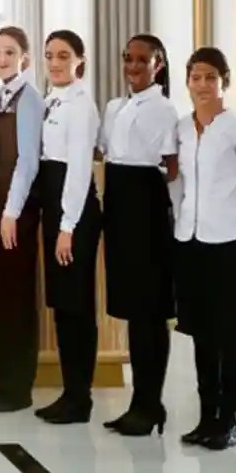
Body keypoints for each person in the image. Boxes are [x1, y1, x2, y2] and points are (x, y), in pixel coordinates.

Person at [173, 47, 236, 451]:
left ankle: (229, 418)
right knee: (201, 335)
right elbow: (177, 180)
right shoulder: (181, 128)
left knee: (230, 335)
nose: (202, 85)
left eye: (210, 77)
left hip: (230, 243)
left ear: (223, 82)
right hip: (191, 243)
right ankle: (206, 415)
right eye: (196, 77)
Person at [98, 34, 180, 436]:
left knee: (150, 313)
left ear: (158, 64)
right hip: (118, 208)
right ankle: (139, 401)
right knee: (133, 309)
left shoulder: (165, 110)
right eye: (127, 58)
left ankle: (151, 403)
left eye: (141, 60)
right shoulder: (116, 106)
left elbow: (172, 168)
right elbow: (103, 153)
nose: (132, 66)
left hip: (146, 210)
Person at [36, 29, 103, 425]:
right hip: (55, 206)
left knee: (77, 304)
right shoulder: (51, 100)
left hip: (72, 211)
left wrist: (67, 226)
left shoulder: (81, 105)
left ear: (80, 59)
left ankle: (81, 397)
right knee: (63, 305)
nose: (56, 63)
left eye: (63, 55)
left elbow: (79, 169)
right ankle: (70, 391)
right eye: (49, 55)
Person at [0, 26, 44, 413]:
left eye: (9, 52)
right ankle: (4, 381)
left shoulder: (29, 99)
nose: (2, 59)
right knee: (1, 296)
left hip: (15, 210)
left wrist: (11, 212)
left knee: (18, 297)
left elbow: (27, 160)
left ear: (25, 58)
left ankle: (19, 387)